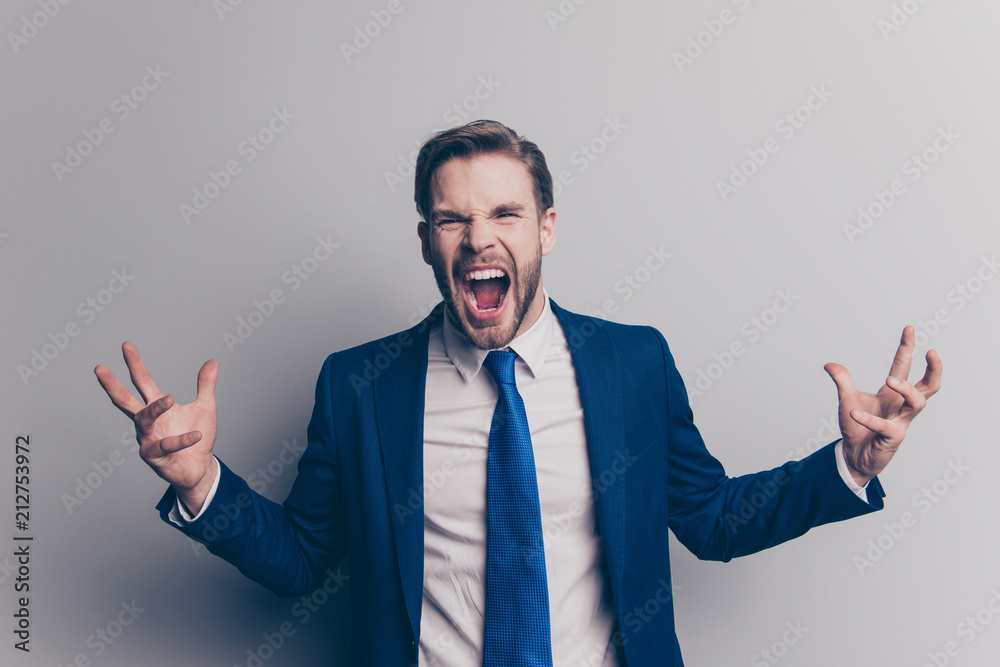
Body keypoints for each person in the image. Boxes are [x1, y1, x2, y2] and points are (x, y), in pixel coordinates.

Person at [95, 120, 943, 666]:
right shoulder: (359, 384)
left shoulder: (632, 364)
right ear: (427, 242)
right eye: (453, 219)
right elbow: (305, 557)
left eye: (504, 213)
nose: (478, 238)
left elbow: (713, 519)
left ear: (545, 228)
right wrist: (202, 483)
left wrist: (848, 466)